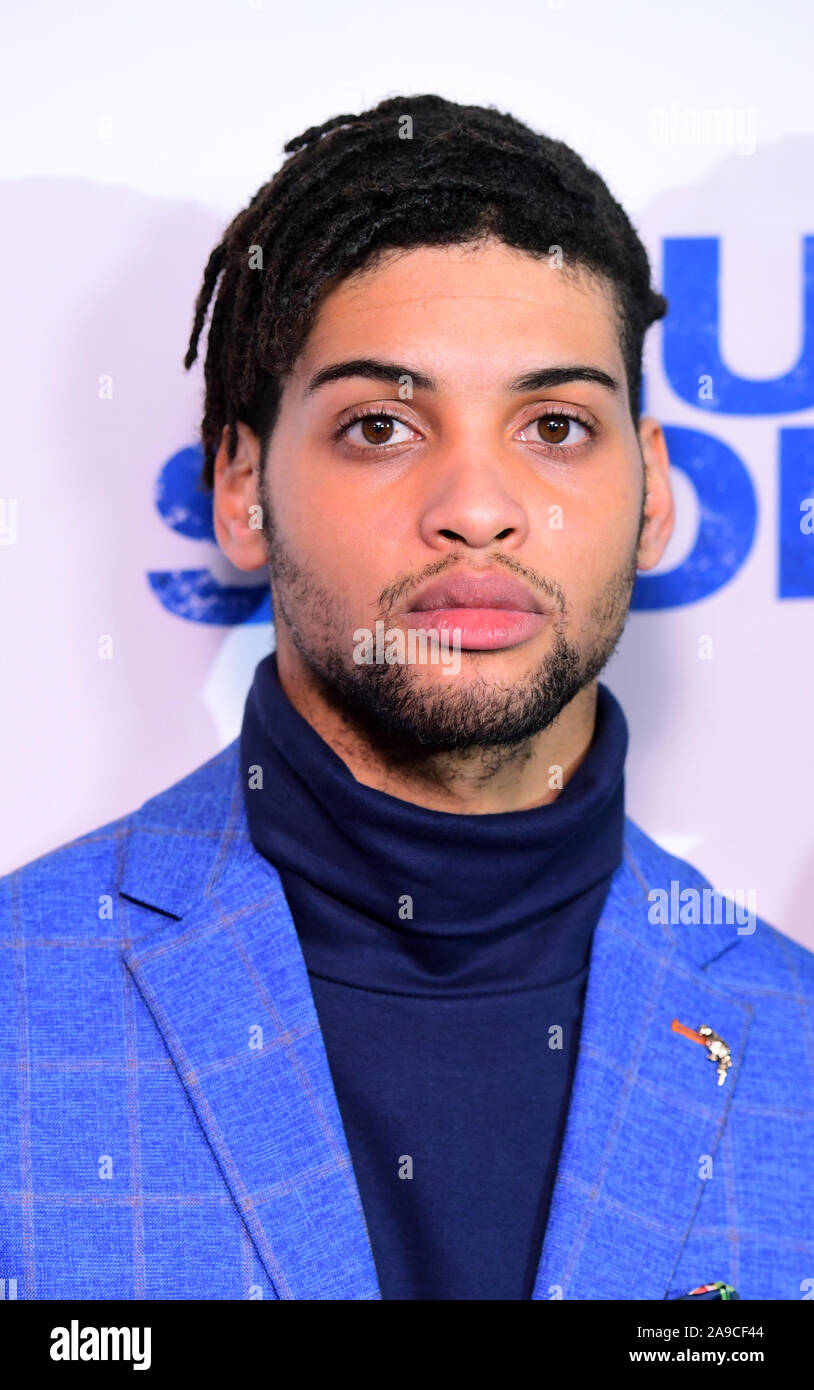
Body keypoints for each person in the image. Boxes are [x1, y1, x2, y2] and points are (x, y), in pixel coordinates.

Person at [2, 94, 812, 1302]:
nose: (477, 506)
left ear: (649, 495)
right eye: (381, 424)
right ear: (240, 485)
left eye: (554, 424)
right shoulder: (19, 1000)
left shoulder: (792, 1039)